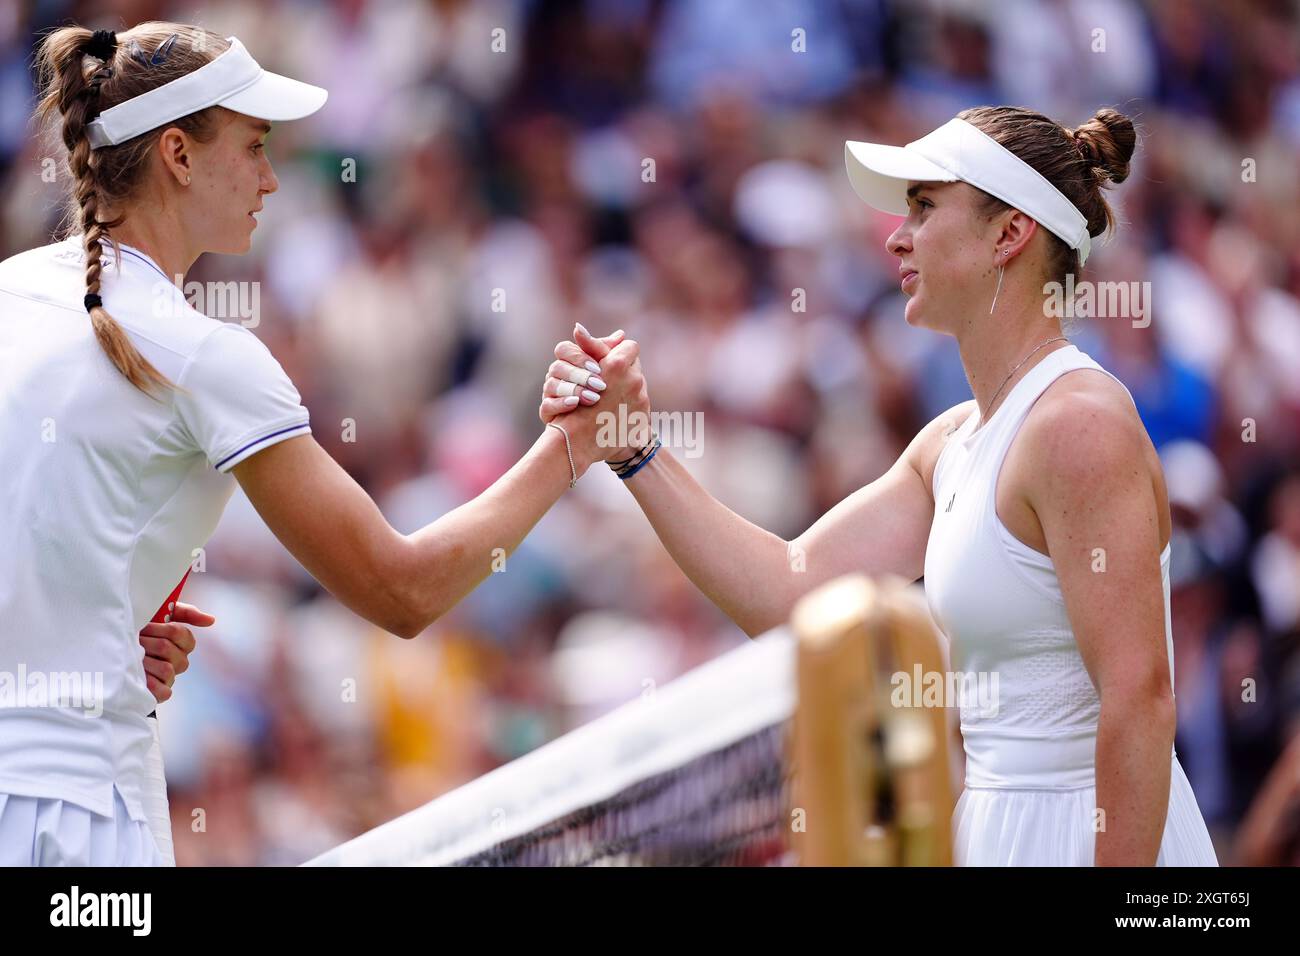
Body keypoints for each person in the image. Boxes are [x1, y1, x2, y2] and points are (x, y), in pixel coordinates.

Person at [0, 20, 644, 866]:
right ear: (178, 157)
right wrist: (573, 446)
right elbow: (401, 591)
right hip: (75, 824)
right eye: (255, 147)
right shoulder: (212, 357)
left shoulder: (12, 292)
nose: (272, 178)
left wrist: (93, 628)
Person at [544, 106, 1220, 866]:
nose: (897, 237)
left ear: (1009, 235)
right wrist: (633, 448)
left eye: (925, 208)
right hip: (996, 831)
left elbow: (1140, 704)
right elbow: (787, 593)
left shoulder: (1079, 424)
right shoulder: (951, 443)